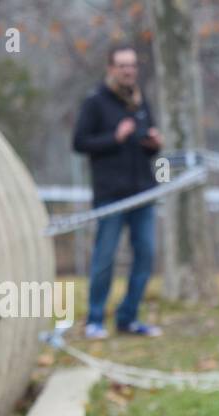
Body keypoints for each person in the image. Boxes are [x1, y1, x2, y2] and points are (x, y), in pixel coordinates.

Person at [72, 44, 164, 339]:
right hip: (110, 194)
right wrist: (114, 137)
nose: (128, 70)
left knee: (146, 254)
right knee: (105, 257)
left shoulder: (139, 101)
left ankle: (128, 318)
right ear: (111, 68)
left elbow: (145, 142)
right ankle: (95, 319)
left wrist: (153, 144)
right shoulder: (96, 102)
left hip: (142, 192)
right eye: (123, 65)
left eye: (133, 65)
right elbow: (80, 143)